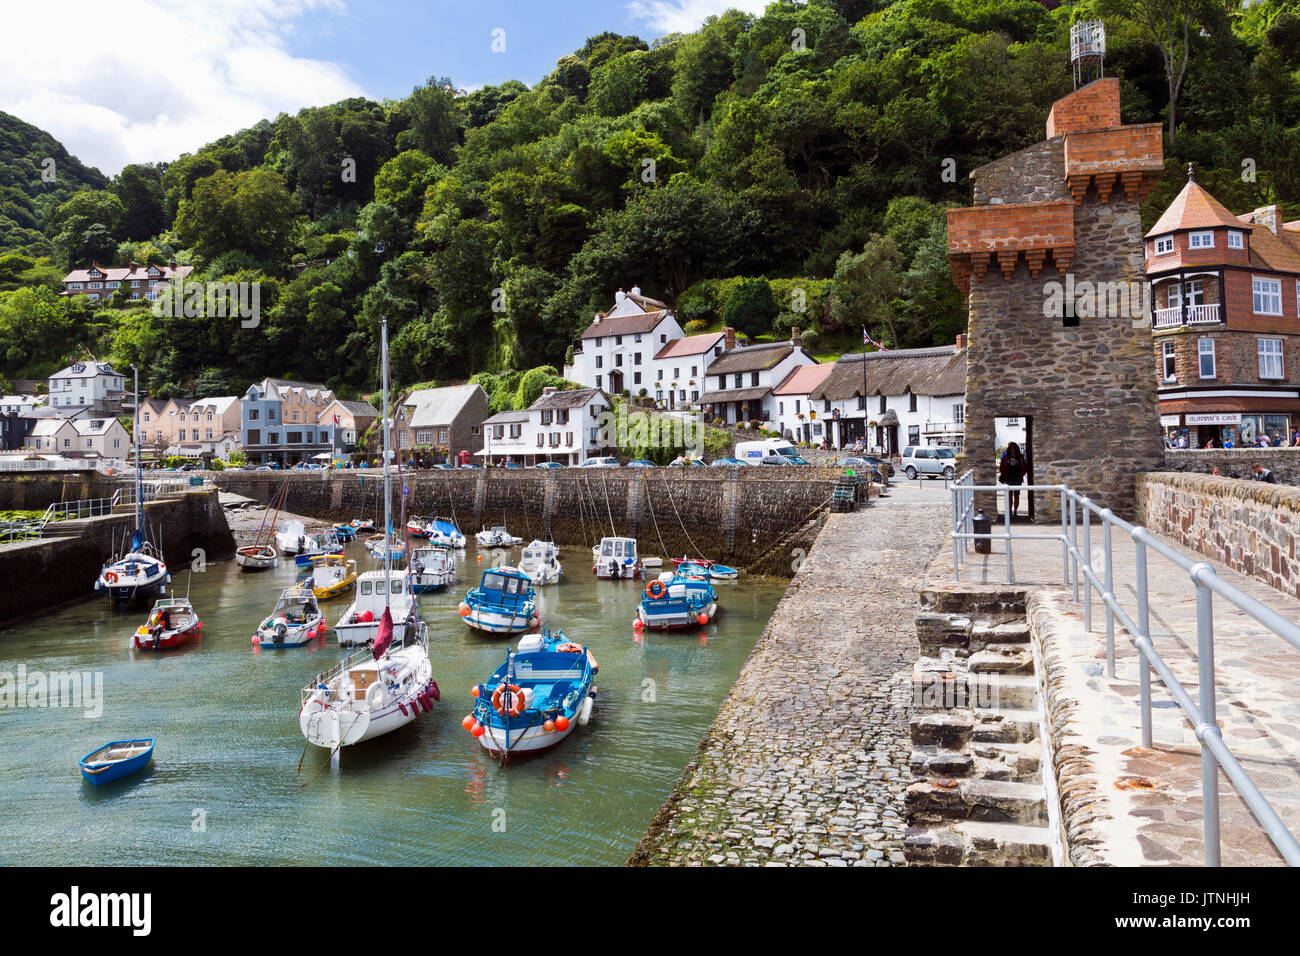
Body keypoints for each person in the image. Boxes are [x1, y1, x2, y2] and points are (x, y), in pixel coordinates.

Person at [999, 441, 1027, 516]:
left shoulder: (1020, 457)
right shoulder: (1005, 457)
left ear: (1016, 448)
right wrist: (1005, 475)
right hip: (1009, 478)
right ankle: (1009, 511)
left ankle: (1015, 511)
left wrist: (1021, 474)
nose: (1013, 450)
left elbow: (1025, 467)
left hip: (1018, 478)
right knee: (1009, 495)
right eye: (1011, 448)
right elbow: (1002, 467)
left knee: (1017, 495)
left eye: (1014, 448)